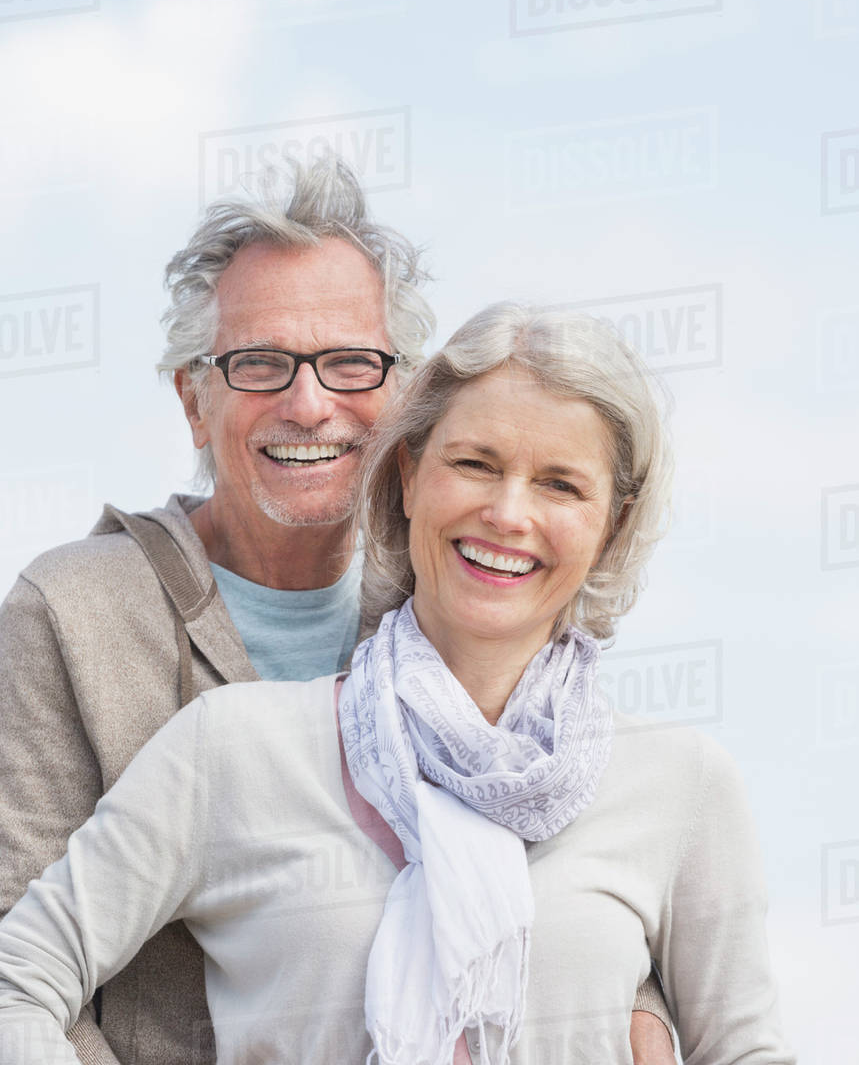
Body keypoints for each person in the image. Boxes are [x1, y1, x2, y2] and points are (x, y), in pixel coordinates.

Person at [0, 164, 673, 1064]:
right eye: (258, 363)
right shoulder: (72, 613)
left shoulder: (461, 598)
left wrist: (646, 1017)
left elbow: (577, 876)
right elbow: (18, 955)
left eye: (352, 362)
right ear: (193, 400)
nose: (309, 403)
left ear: (405, 397)